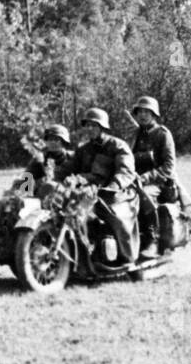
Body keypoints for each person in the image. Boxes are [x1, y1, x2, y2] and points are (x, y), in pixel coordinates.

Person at [56, 108, 140, 268]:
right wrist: (53, 180)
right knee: (70, 215)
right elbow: (67, 168)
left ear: (103, 127)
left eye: (94, 125)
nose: (90, 129)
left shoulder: (117, 145)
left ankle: (128, 258)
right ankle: (84, 258)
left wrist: (112, 187)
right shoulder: (83, 149)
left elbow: (126, 172)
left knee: (118, 219)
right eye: (87, 125)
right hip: (89, 193)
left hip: (118, 192)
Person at [129, 95, 177, 260]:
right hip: (134, 181)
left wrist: (145, 178)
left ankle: (152, 240)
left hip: (159, 183)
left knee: (144, 197)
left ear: (154, 114)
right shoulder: (135, 135)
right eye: (140, 112)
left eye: (147, 112)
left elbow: (168, 167)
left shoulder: (162, 134)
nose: (142, 115)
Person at [14, 124, 73, 193]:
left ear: (64, 141)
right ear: (46, 141)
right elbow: (27, 180)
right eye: (50, 139)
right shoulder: (40, 158)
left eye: (56, 139)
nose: (52, 142)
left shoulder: (72, 157)